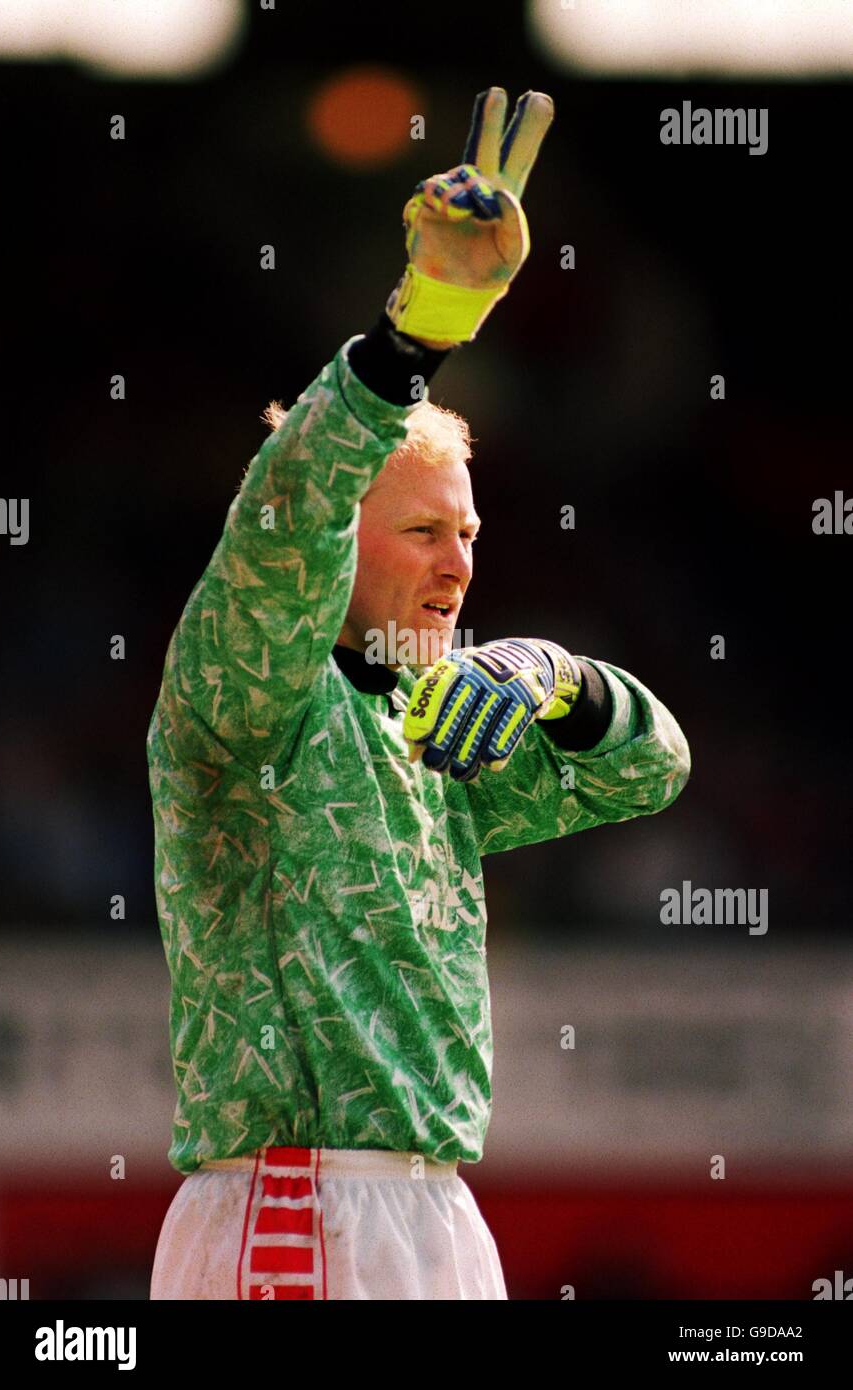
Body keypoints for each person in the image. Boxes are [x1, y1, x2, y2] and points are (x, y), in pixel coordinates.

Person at [146, 87, 690, 1300]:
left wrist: (554, 675)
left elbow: (652, 767)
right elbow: (283, 511)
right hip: (291, 1199)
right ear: (343, 542)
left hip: (435, 1206)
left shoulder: (434, 727)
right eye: (425, 530)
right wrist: (421, 332)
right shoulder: (246, 697)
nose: (460, 563)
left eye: (472, 531)